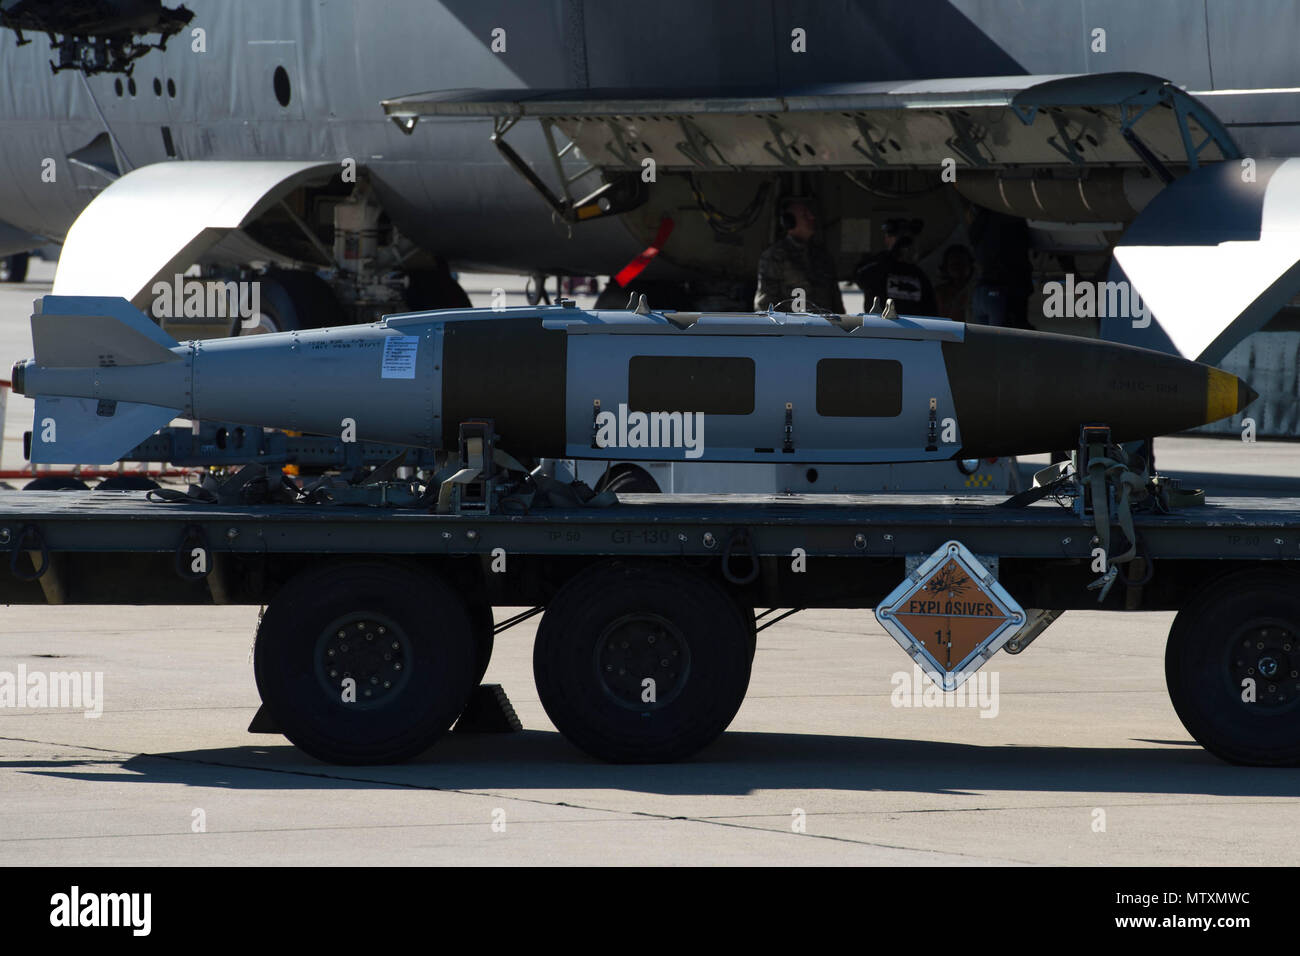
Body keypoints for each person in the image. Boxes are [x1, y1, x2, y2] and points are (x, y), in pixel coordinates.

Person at [753, 199, 844, 313]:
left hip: (824, 328)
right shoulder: (775, 256)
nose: (812, 218)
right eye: (805, 215)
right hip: (791, 329)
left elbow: (835, 300)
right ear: (790, 222)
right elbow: (765, 304)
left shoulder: (822, 256)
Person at [853, 218, 937, 316]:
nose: (904, 246)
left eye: (907, 240)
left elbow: (931, 309)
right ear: (886, 239)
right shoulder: (878, 266)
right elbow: (859, 276)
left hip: (913, 327)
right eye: (896, 236)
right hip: (880, 325)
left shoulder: (920, 275)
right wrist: (890, 256)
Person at [968, 208, 1032, 328]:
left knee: (995, 340)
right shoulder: (1009, 218)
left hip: (984, 291)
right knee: (1003, 338)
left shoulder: (982, 220)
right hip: (998, 289)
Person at [933, 244, 975, 322]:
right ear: (946, 267)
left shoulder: (975, 291)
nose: (958, 268)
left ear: (969, 265)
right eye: (954, 264)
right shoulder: (939, 293)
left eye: (962, 264)